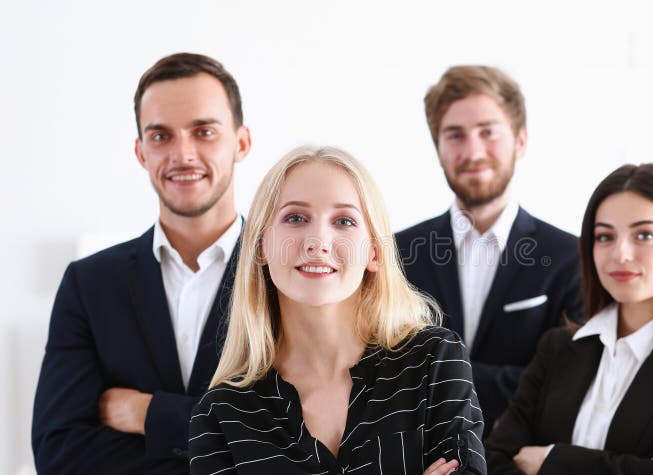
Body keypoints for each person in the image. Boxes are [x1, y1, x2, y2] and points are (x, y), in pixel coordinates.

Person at [188, 146, 486, 474]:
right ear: (261, 247)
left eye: (344, 221)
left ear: (374, 252)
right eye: (295, 218)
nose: (318, 241)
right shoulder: (220, 415)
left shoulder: (435, 362)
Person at [31, 53, 252, 474]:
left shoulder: (287, 275)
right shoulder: (89, 284)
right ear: (140, 152)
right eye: (161, 136)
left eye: (204, 132)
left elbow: (298, 442)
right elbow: (58, 455)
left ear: (241, 143)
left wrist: (147, 414)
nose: (182, 154)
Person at [485, 163, 653, 474]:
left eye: (644, 235)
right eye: (605, 237)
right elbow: (493, 460)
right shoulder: (558, 347)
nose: (620, 253)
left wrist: (550, 459)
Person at [395, 66, 581, 435]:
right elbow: (376, 369)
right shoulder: (395, 254)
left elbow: (568, 383)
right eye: (455, 135)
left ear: (521, 140)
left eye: (488, 132)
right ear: (438, 148)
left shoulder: (570, 257)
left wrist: (437, 376)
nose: (473, 151)